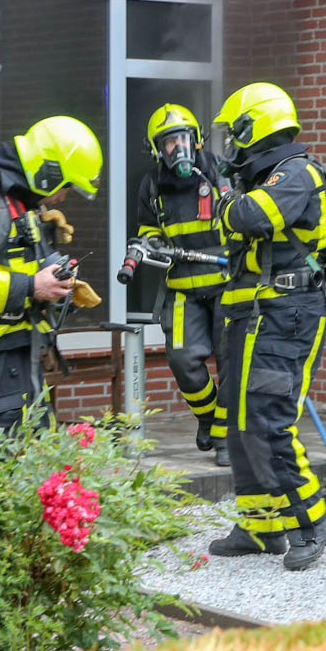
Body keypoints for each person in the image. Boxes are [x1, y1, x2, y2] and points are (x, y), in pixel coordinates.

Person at [204, 83, 326, 571]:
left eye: (234, 136)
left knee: (269, 418)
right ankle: (259, 528)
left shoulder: (295, 174)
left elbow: (250, 217)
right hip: (259, 316)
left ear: (254, 128)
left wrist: (221, 193)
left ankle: (311, 525)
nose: (232, 148)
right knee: (237, 423)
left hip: (290, 316)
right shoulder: (268, 178)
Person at [0, 115, 103, 458]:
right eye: (66, 186)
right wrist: (32, 287)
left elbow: (11, 260)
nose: (63, 198)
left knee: (34, 461)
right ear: (48, 172)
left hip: (17, 357)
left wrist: (55, 270)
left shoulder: (17, 203)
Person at [132, 103, 232, 467]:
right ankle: (208, 416)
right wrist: (152, 243)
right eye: (169, 142)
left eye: (183, 138)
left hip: (227, 283)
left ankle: (224, 440)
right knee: (183, 360)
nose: (179, 148)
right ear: (158, 149)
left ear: (198, 139)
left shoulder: (222, 172)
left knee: (231, 362)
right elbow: (146, 230)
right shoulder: (152, 184)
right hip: (182, 285)